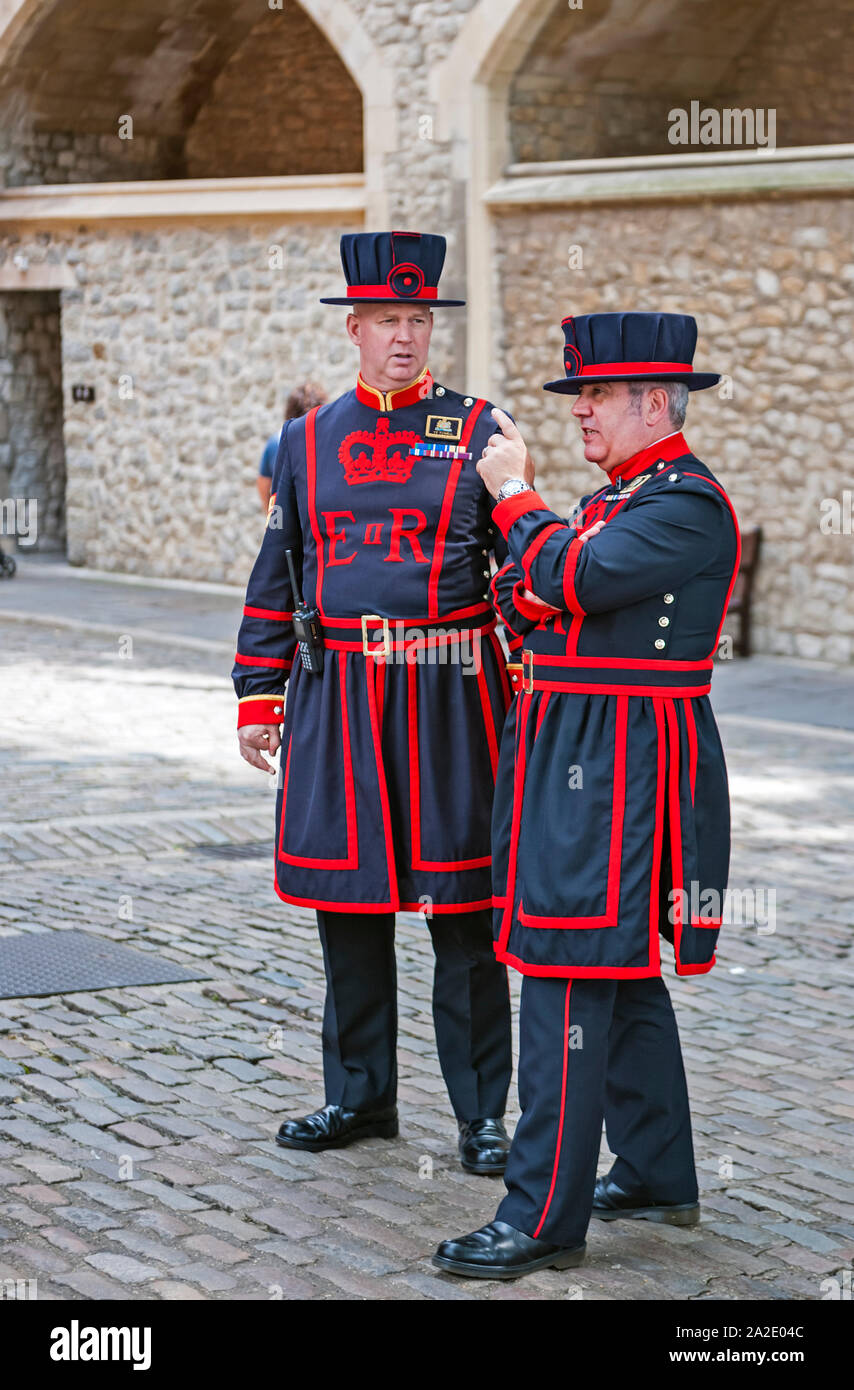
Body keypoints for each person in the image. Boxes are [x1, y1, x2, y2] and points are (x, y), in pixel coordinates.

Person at [433, 311, 741, 1278]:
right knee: (614, 972)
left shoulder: (684, 503)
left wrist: (515, 496)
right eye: (579, 397)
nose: (581, 413)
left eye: (597, 395)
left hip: (619, 766)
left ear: (656, 401)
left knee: (566, 970)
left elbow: (574, 573)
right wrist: (541, 559)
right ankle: (656, 1171)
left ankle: (539, 1219)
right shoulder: (622, 496)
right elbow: (536, 594)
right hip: (583, 750)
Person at [233, 230, 516, 1174]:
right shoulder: (307, 442)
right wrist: (257, 694)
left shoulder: (482, 430)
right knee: (347, 910)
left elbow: (521, 572)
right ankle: (359, 1099)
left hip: (449, 701)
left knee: (463, 917)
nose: (406, 336)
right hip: (339, 698)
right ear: (353, 328)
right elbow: (276, 574)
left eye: (419, 319)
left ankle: (482, 1117)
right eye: (388, 320)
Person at [257, 383, 327, 513]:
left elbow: (263, 484)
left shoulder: (275, 443)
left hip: (288, 519)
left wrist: (273, 519)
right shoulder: (326, 442)